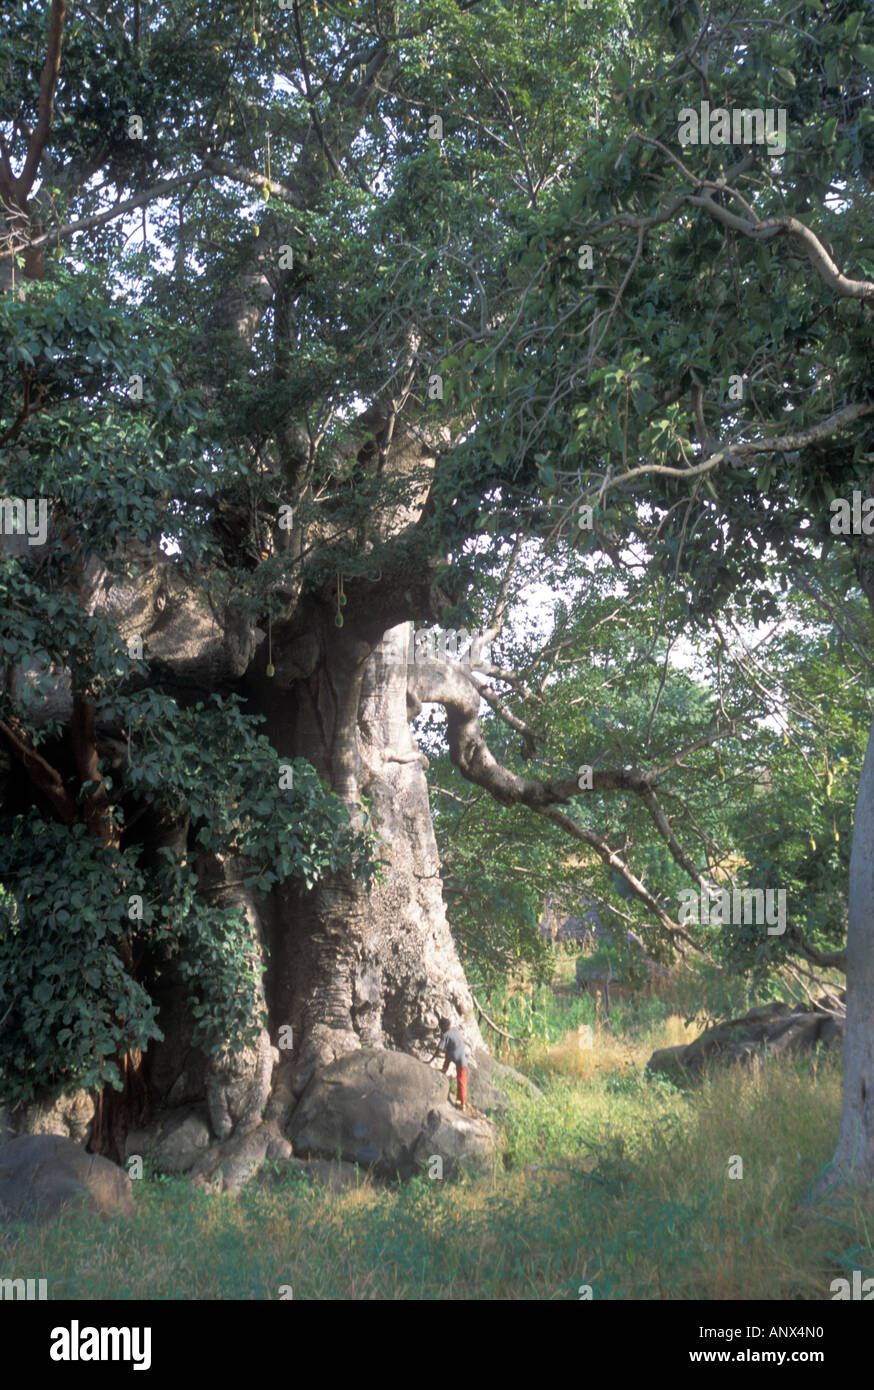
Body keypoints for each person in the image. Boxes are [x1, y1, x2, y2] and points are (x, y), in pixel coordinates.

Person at [430, 1015, 467, 1111]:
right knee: (461, 1079)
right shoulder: (455, 1030)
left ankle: (444, 1069)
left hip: (453, 1056)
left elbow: (440, 1049)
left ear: (443, 1028)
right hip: (462, 1056)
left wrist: (431, 1059)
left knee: (448, 1054)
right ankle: (461, 1102)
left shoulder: (445, 1035)